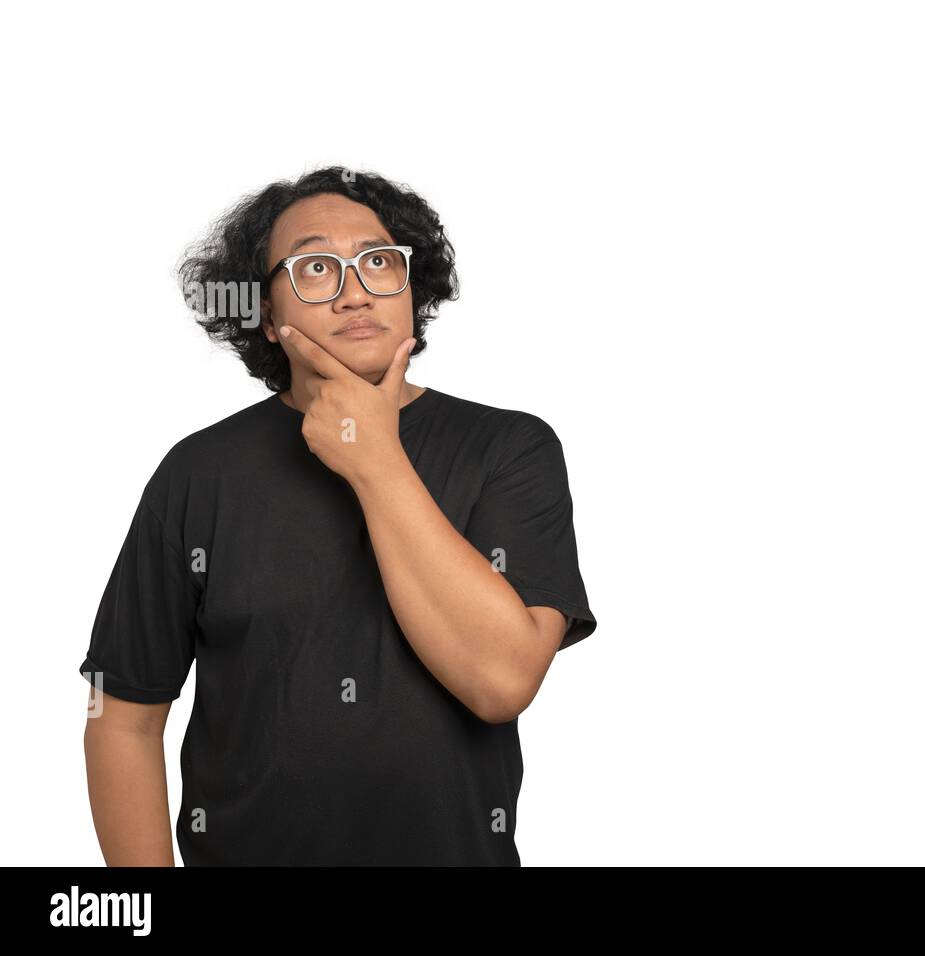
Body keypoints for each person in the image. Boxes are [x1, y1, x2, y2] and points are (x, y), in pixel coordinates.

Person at [78, 166, 597, 866]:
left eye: (379, 262)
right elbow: (123, 719)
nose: (356, 290)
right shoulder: (198, 474)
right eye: (315, 267)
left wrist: (373, 457)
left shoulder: (509, 449)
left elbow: (501, 682)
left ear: (413, 290)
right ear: (267, 313)